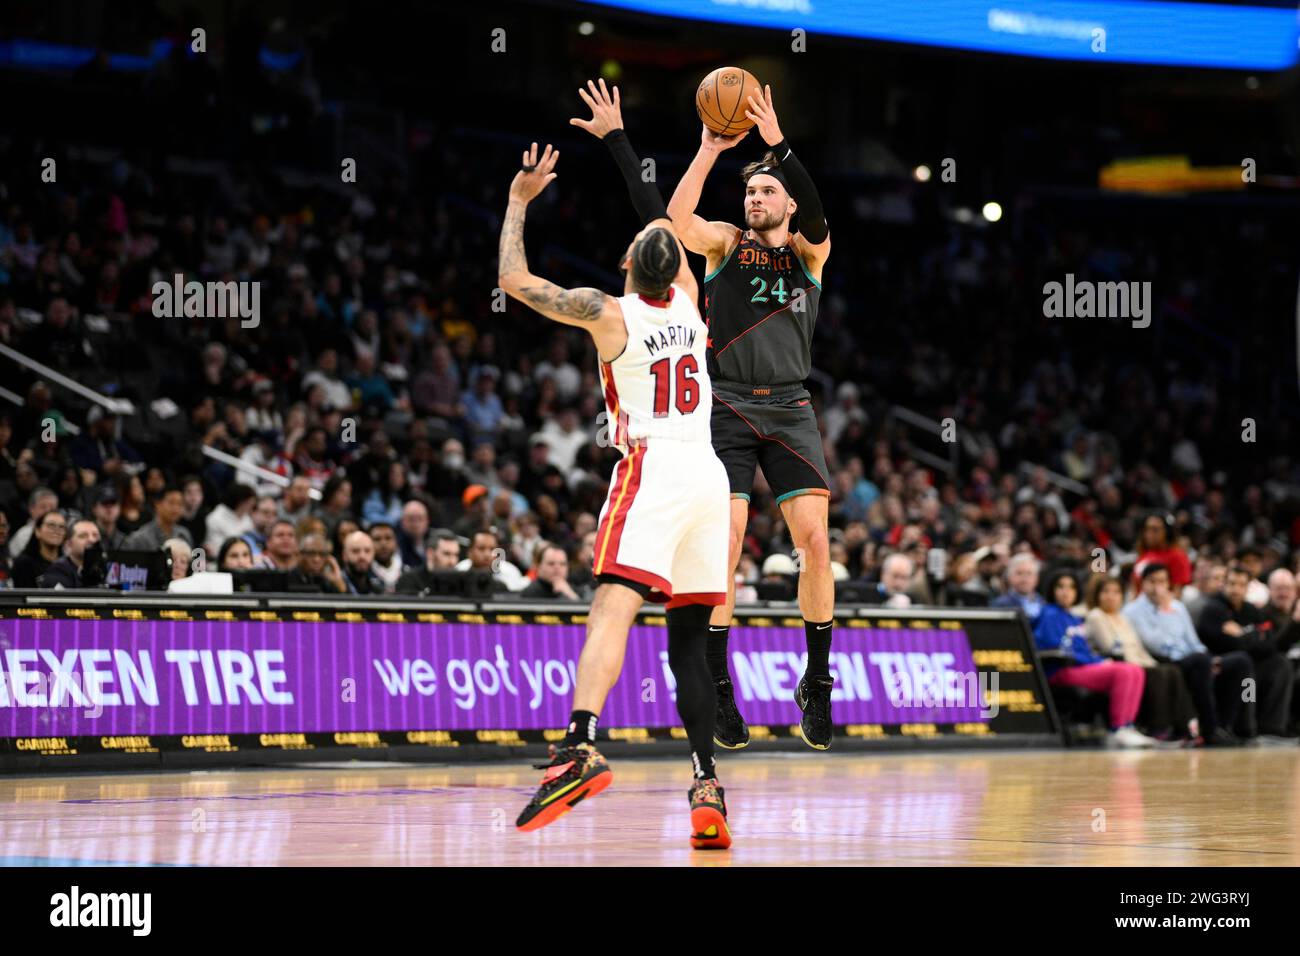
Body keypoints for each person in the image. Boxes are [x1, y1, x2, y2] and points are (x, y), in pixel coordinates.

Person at [504, 83, 731, 847]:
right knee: (689, 641)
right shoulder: (691, 302)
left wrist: (519, 200)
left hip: (655, 468)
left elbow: (513, 282)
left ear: (632, 263)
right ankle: (706, 786)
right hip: (709, 474)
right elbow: (661, 217)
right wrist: (621, 142)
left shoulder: (609, 310)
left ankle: (577, 745)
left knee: (612, 607)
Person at [668, 82, 835, 752]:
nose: (755, 200)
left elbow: (820, 215)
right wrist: (709, 150)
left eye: (767, 191)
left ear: (788, 202)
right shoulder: (725, 246)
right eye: (751, 192)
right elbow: (676, 220)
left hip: (791, 407)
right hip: (727, 403)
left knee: (816, 543)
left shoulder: (810, 253)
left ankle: (816, 683)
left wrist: (778, 147)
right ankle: (720, 682)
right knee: (727, 542)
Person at [1123, 563, 1254, 746]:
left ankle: (1226, 726)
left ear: (1168, 583)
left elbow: (1194, 641)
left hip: (1195, 659)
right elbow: (1155, 644)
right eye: (1152, 582)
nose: (1157, 587)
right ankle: (1209, 730)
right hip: (1165, 662)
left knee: (1241, 661)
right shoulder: (1132, 611)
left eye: (1162, 581)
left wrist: (1210, 659)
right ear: (1143, 584)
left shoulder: (1178, 607)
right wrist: (1164, 612)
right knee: (1200, 662)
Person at [1035, 571, 1156, 748]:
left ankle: (1128, 726)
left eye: (1071, 587)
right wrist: (1096, 662)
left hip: (1081, 668)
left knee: (1134, 669)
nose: (1066, 592)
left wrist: (1097, 660)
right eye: (1060, 587)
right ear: (1052, 590)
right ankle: (1118, 728)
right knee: (1123, 671)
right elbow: (1059, 648)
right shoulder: (1049, 614)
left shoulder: (1075, 618)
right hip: (1060, 670)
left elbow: (1084, 649)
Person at [1085, 575, 1198, 743]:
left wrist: (1153, 664)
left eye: (1116, 592)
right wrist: (1148, 667)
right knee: (1157, 674)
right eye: (1106, 591)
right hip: (1118, 663)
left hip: (1137, 662)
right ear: (1097, 595)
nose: (1111, 596)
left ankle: (1184, 726)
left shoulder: (1122, 618)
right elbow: (1111, 647)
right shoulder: (1096, 616)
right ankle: (1158, 728)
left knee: (1171, 670)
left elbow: (1138, 648)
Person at [1197, 565, 1294, 739]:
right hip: (1224, 667)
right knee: (1244, 664)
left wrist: (1242, 635)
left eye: (1241, 585)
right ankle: (1245, 727)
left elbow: (1270, 644)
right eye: (1232, 584)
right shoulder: (1213, 609)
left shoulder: (1251, 610)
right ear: (1224, 584)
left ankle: (1272, 728)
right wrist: (1252, 636)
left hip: (1250, 662)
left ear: (1247, 587)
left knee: (1281, 663)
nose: (1236, 589)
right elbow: (1223, 643)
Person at [124, 484, 193, 552]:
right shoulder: (140, 538)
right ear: (157, 504)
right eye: (171, 502)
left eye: (179, 504)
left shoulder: (184, 534)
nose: (176, 508)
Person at [37, 518, 103, 589]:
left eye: (95, 535)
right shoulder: (58, 571)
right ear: (68, 545)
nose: (91, 540)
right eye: (83, 536)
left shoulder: (106, 567)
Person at [12, 509, 67, 587]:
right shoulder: (24, 564)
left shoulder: (67, 565)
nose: (57, 530)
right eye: (51, 525)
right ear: (37, 531)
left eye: (62, 527)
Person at [991, 553, 1047, 625]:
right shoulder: (1000, 605)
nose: (1024, 578)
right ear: (1009, 577)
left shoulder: (1044, 603)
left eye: (1029, 573)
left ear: (1037, 578)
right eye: (1019, 573)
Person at [340, 530, 384, 594]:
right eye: (355, 551)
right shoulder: (335, 584)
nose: (362, 556)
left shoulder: (378, 586)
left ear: (373, 554)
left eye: (367, 551)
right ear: (344, 555)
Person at [368, 522, 403, 592]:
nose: (383, 544)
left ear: (396, 542)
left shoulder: (407, 573)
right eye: (377, 539)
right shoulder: (364, 575)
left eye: (388, 538)